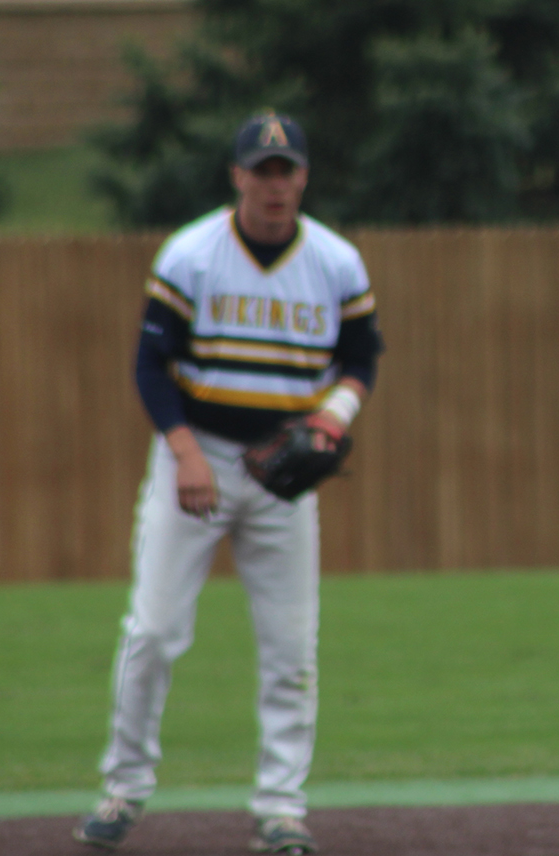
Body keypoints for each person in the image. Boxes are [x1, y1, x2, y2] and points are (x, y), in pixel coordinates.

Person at [74, 112, 381, 856]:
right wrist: (183, 451)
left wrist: (334, 418)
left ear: (304, 177)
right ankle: (122, 790)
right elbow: (151, 366)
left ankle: (281, 808)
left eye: (287, 170)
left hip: (282, 469)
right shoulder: (191, 255)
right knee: (152, 631)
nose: (276, 184)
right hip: (198, 454)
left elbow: (362, 357)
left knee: (291, 648)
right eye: (262, 170)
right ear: (238, 176)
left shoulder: (336, 262)